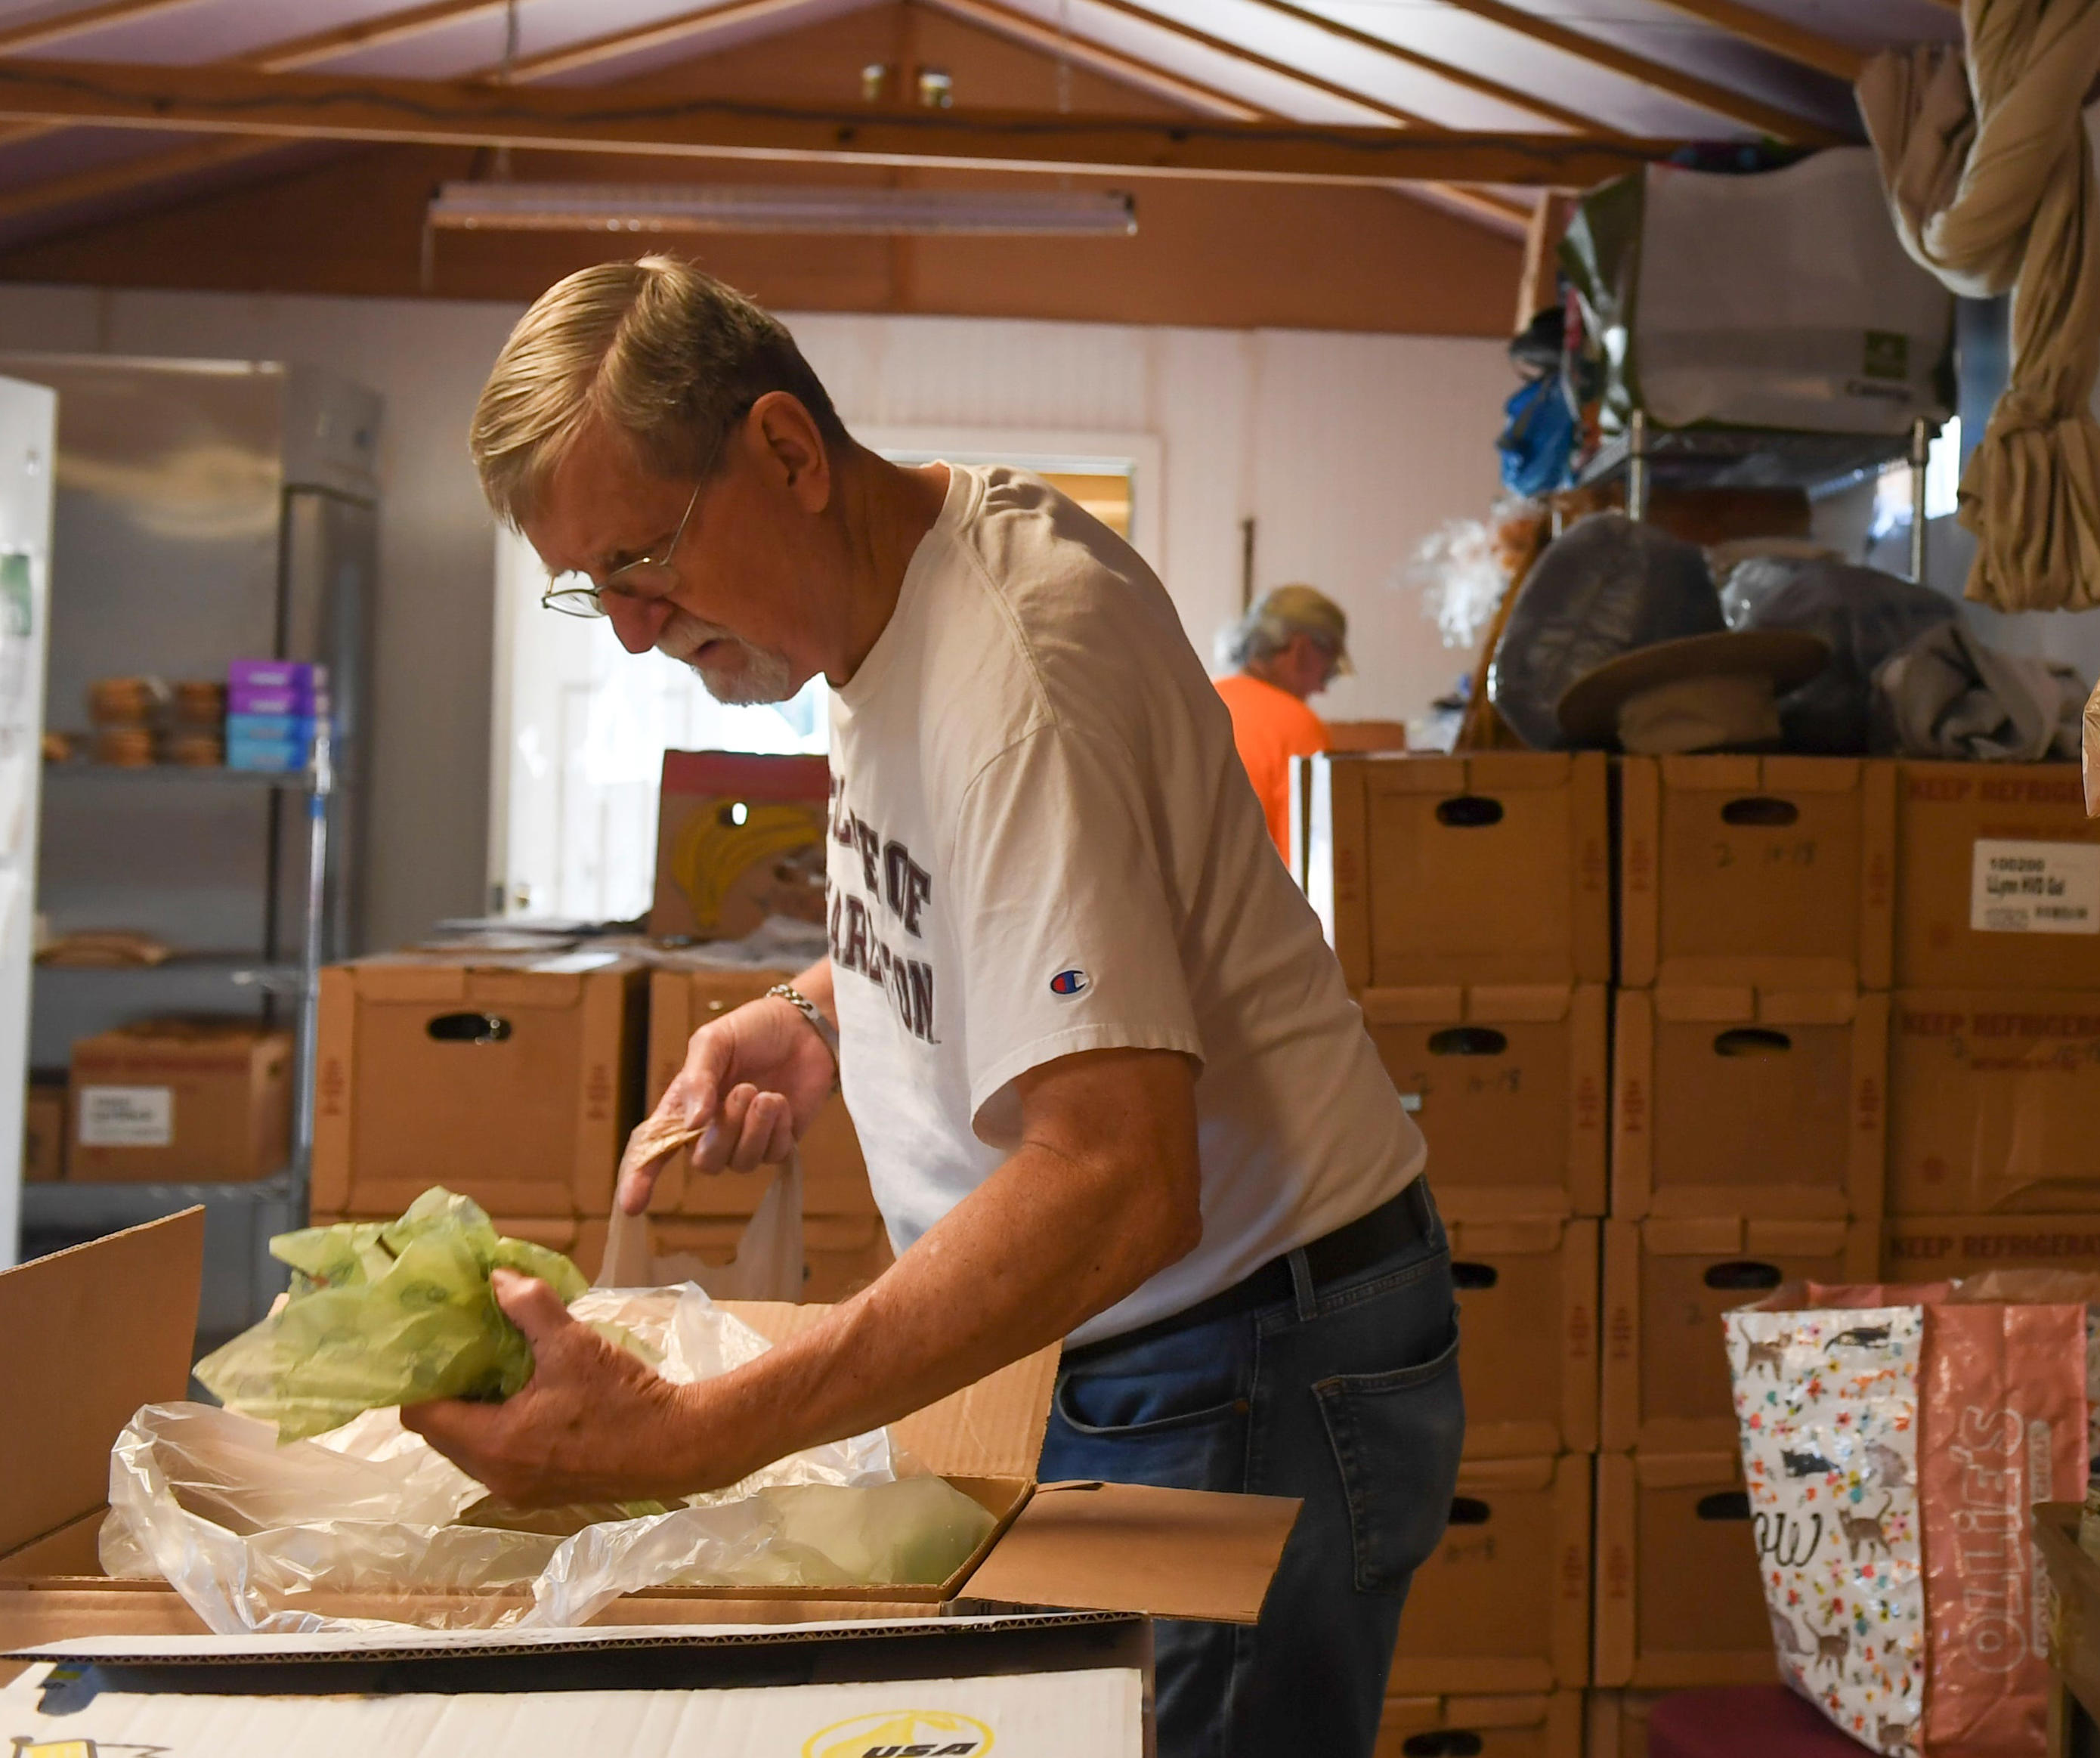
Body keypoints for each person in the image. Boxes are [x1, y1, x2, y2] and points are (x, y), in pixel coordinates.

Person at [411, 257, 1457, 1758]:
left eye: (642, 559)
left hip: (1239, 1354)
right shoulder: (875, 607)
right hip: (1164, 1342)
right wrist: (819, 1008)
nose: (636, 630)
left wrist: (706, 1429)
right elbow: (1006, 907)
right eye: (596, 590)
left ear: (785, 451)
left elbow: (1119, 1177)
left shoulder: (1013, 667)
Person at [1214, 584, 1346, 855]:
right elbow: (1306, 863)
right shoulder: (1297, 726)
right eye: (1327, 672)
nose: (1322, 689)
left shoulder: (1201, 699)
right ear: (1301, 650)